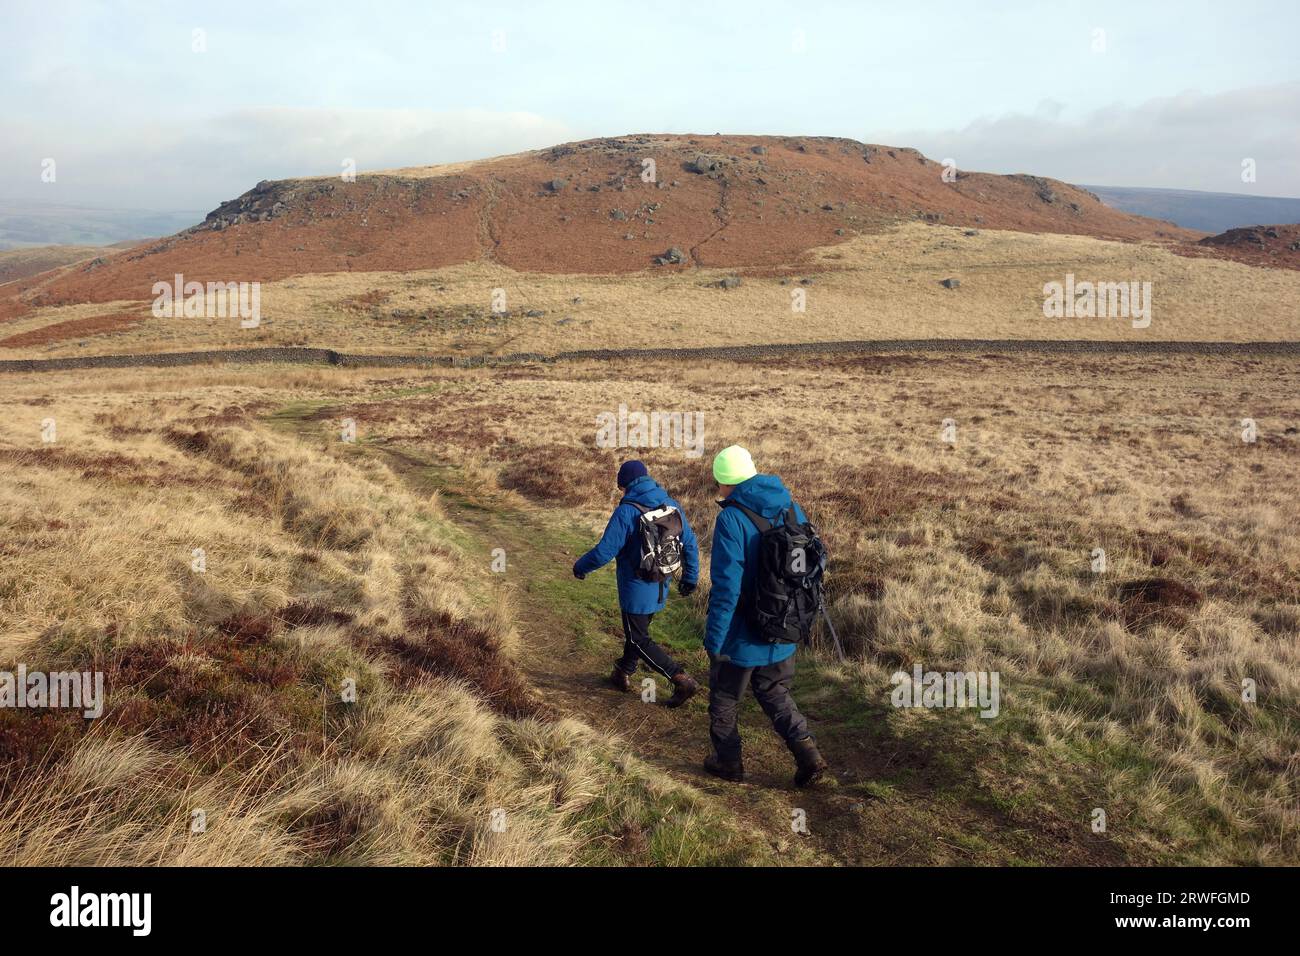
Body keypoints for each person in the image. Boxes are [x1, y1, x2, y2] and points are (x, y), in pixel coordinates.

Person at [703, 445, 828, 787]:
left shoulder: (731, 517)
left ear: (725, 482)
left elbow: (726, 587)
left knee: (725, 696)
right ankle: (808, 755)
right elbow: (812, 561)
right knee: (774, 690)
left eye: (719, 482)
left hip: (744, 633)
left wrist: (714, 639)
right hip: (786, 624)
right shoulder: (789, 505)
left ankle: (728, 763)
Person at [573, 460, 701, 707]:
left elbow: (604, 552)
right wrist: (690, 578)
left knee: (637, 639)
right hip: (661, 585)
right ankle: (622, 672)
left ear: (624, 485)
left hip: (636, 588)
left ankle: (681, 678)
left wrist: (580, 567)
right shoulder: (671, 505)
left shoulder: (627, 511)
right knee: (638, 633)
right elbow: (691, 544)